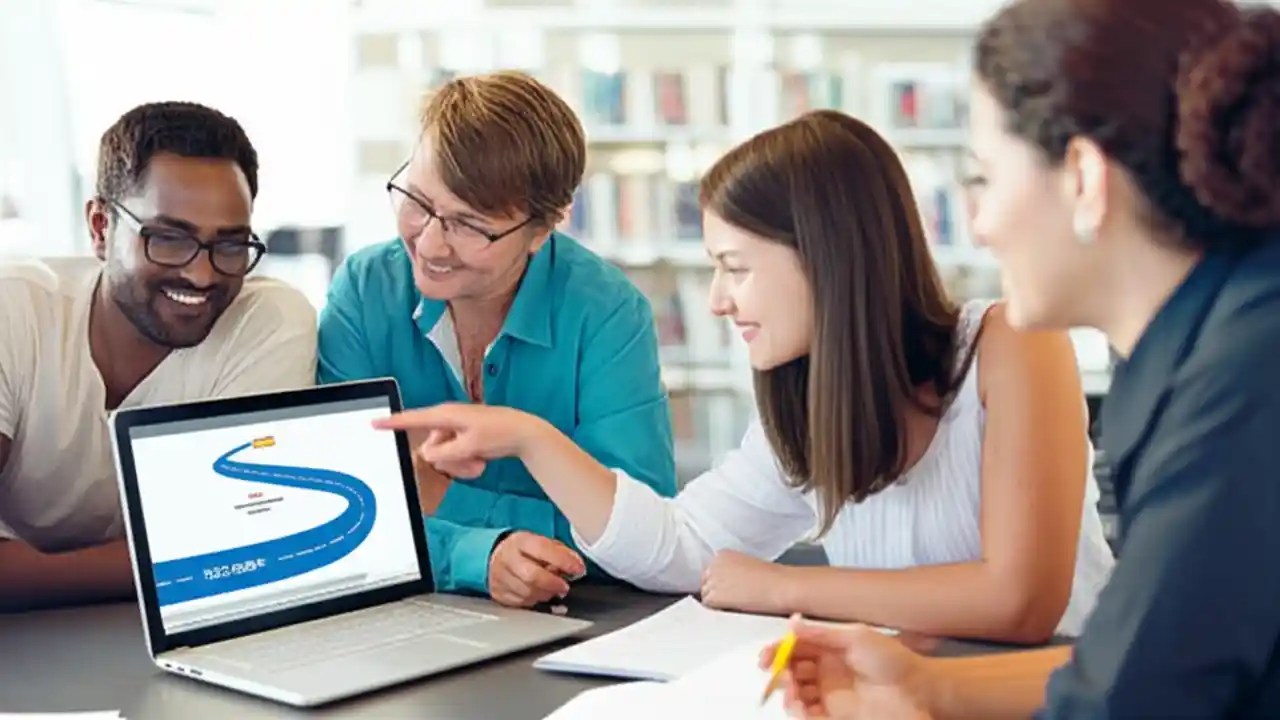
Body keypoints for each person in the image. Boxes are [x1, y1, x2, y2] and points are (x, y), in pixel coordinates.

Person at [373, 109, 1116, 643]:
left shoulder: (1014, 345)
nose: (720, 301)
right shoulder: (807, 399)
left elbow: (1020, 601)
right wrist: (531, 440)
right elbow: (682, 547)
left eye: (736, 269)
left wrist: (787, 584)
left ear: (824, 259)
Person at [762, 1, 1280, 718]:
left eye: (984, 178)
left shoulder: (1241, 389)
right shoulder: (1197, 344)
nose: (979, 224)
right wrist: (930, 688)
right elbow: (1143, 659)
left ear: (1083, 180)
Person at [316, 71, 675, 608]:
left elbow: (642, 534)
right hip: (404, 615)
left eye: (470, 225)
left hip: (574, 621)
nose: (431, 243)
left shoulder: (608, 313)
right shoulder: (364, 291)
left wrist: (442, 499)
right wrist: (477, 554)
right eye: (416, 200)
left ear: (544, 227)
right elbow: (335, 509)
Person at [0, 101, 317, 611]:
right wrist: (163, 565)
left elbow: (238, 541)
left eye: (230, 245)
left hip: (173, 635)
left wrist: (29, 572)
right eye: (169, 239)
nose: (203, 274)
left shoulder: (267, 323)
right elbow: (199, 560)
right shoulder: (15, 311)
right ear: (102, 228)